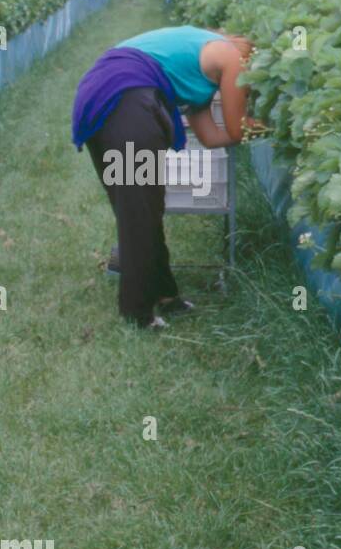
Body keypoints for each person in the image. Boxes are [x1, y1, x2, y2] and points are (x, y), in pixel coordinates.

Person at [71, 26, 258, 329]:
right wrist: (280, 128)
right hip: (124, 97)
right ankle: (137, 312)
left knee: (145, 204)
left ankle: (165, 294)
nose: (245, 91)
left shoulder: (199, 70)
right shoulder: (232, 57)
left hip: (108, 93)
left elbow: (211, 136)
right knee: (138, 209)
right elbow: (238, 129)